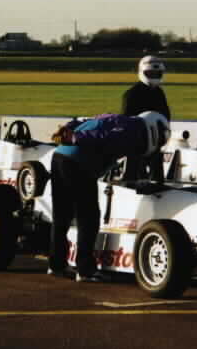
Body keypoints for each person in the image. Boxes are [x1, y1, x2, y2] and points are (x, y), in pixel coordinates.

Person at [48, 111, 170, 282]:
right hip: (78, 162)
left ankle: (56, 265)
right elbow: (104, 136)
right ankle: (85, 270)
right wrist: (76, 138)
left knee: (62, 214)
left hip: (59, 157)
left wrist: (70, 132)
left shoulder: (115, 119)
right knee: (88, 217)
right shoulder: (132, 128)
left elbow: (80, 121)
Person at [121, 55, 171, 182]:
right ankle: (130, 184)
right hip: (137, 141)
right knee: (134, 172)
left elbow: (166, 116)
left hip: (155, 140)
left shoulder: (159, 92)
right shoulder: (132, 94)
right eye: (151, 73)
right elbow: (125, 120)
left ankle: (158, 187)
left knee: (157, 173)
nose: (154, 76)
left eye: (157, 73)